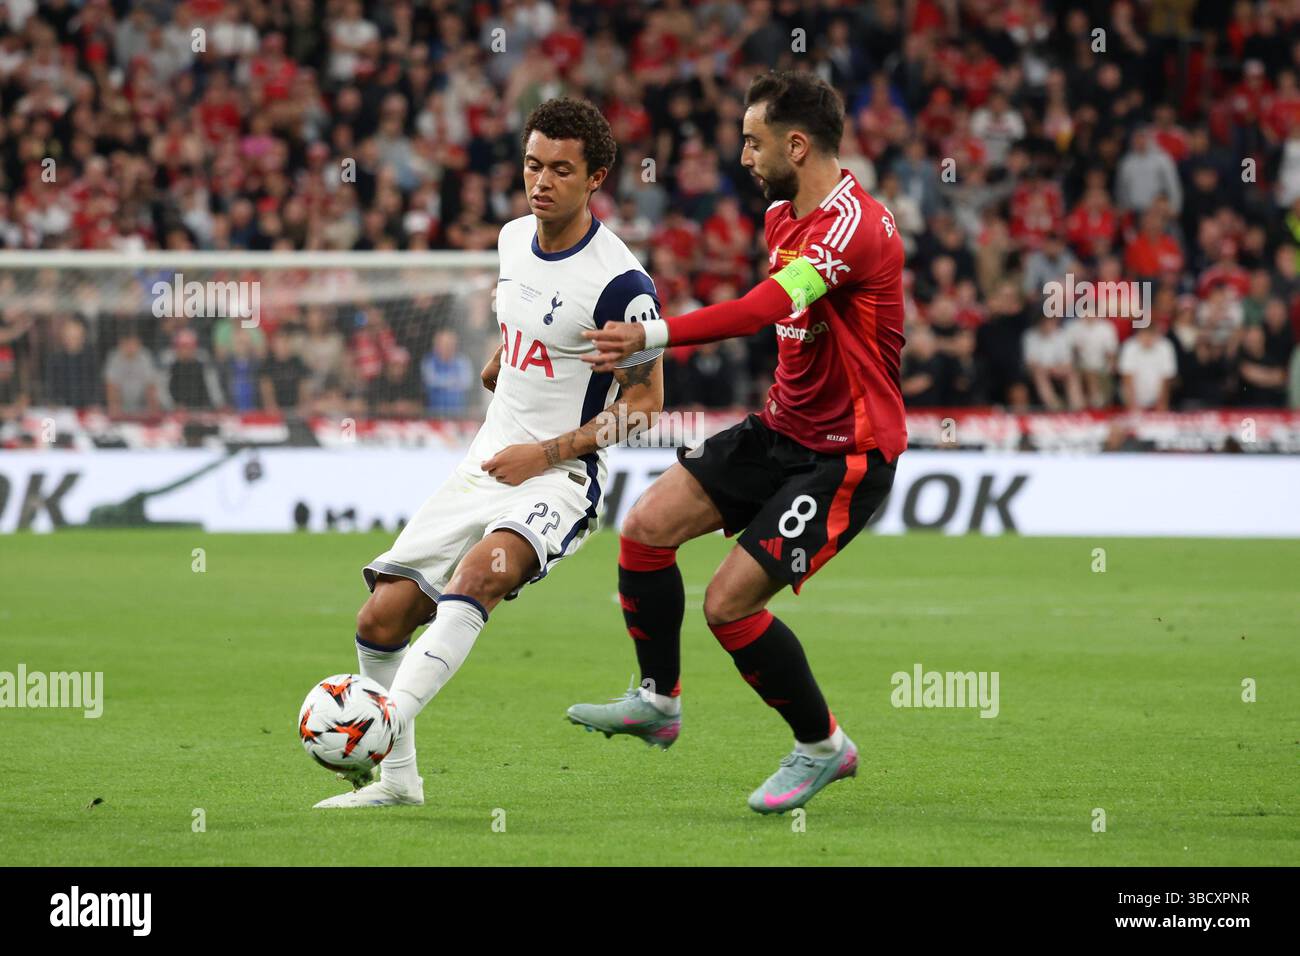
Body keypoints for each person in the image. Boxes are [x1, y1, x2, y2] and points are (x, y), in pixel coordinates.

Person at [570, 70, 905, 814]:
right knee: (646, 531)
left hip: (846, 455)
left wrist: (653, 334)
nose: (745, 158)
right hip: (780, 431)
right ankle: (658, 701)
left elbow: (766, 309)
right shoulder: (782, 217)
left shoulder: (859, 226)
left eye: (754, 143)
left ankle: (823, 747)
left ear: (796, 143)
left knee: (728, 606)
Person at [315, 97, 665, 809]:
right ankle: (398, 781)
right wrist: (501, 358)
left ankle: (377, 727)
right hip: (485, 463)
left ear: (596, 177)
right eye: (534, 164)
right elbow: (531, 320)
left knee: (480, 576)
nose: (542, 181)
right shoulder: (512, 240)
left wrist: (548, 451)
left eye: (561, 170)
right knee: (379, 619)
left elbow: (647, 405)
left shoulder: (622, 283)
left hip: (560, 476)